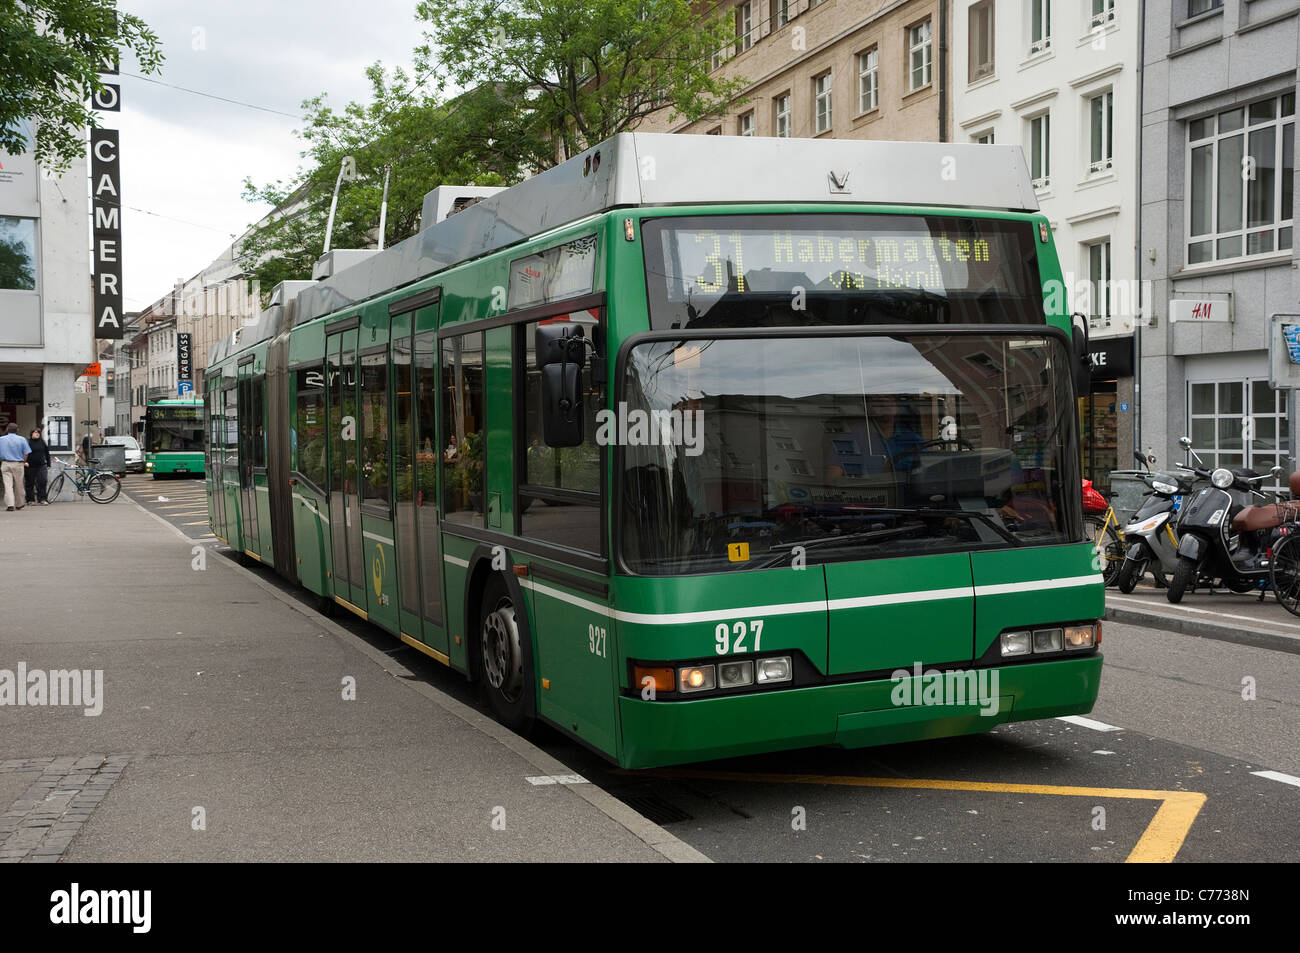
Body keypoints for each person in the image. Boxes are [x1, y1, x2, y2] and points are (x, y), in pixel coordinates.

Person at [0, 423, 32, 511]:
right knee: (19, 484)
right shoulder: (22, 439)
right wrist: (23, 461)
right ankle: (19, 503)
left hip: (5, 463)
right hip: (18, 463)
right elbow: (26, 453)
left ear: (7, 429)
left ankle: (10, 504)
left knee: (8, 485)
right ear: (17, 430)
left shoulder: (1, 439)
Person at [25, 427, 51, 505]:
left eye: (38, 432)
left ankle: (42, 499)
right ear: (31, 434)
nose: (37, 434)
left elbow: (47, 453)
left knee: (42, 481)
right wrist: (24, 462)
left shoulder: (42, 442)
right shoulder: (28, 442)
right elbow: (24, 453)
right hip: (30, 466)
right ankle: (30, 500)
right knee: (30, 483)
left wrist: (49, 464)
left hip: (41, 465)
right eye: (35, 432)